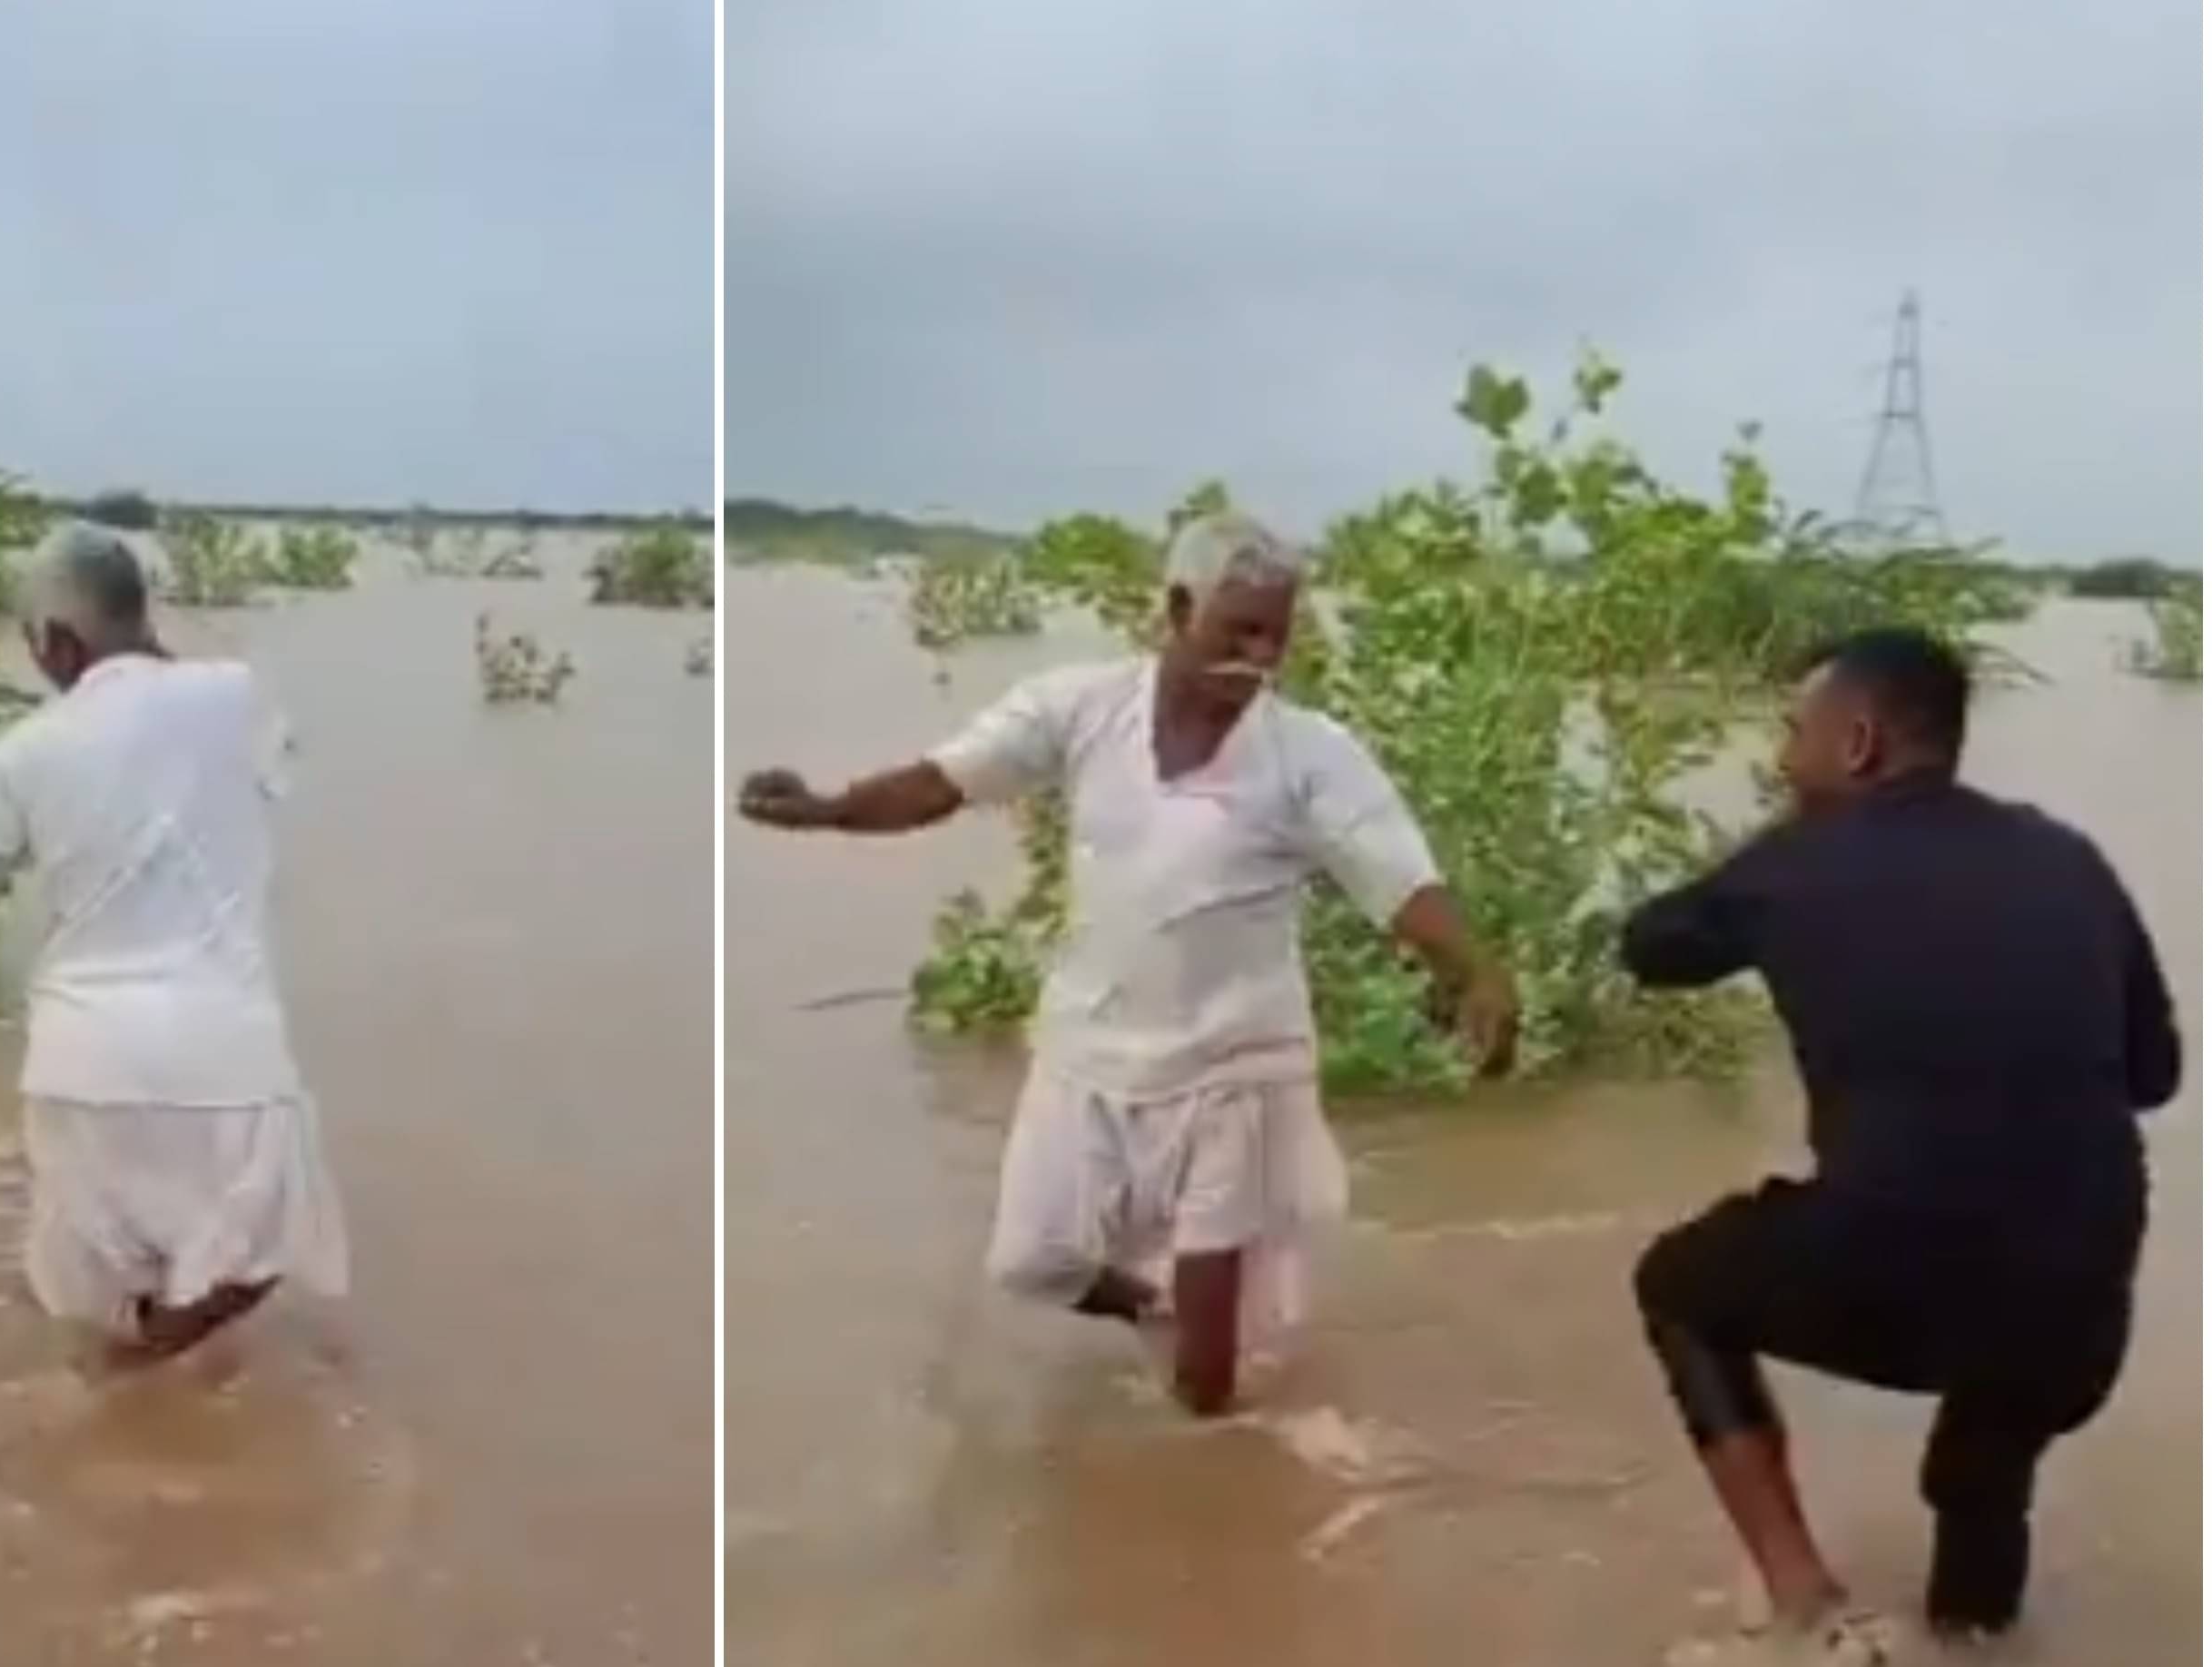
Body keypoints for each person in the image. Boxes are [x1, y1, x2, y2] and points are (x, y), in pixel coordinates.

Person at [738, 513, 1518, 1415]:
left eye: (1277, 635)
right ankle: (1151, 1304)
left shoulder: (1310, 754)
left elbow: (1399, 877)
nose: (1261, 657)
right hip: (1091, 1050)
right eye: (1240, 631)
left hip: (1237, 1066)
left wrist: (1476, 971)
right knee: (1032, 1260)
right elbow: (944, 782)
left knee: (1207, 1385)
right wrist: (831, 808)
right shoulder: (1080, 708)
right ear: (1179, 609)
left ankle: (1220, 1466)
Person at [1621, 628, 2177, 1661]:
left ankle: (1806, 1603)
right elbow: (2155, 1078)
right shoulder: (2070, 858)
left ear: (1858, 744)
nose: (1782, 759)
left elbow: (1648, 946)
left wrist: (1785, 844)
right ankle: (1976, 1631)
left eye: (1794, 734)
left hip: (1901, 1274)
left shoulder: (1796, 862)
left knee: (1678, 1286)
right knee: (1980, 1465)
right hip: (2084, 1308)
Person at [0, 523, 348, 1368]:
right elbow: (269, 765)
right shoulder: (238, 696)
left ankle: (117, 1390)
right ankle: (151, 1386)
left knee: (111, 1287)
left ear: (55, 640)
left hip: (82, 1056)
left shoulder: (25, 751)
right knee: (253, 1254)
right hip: (221, 1046)